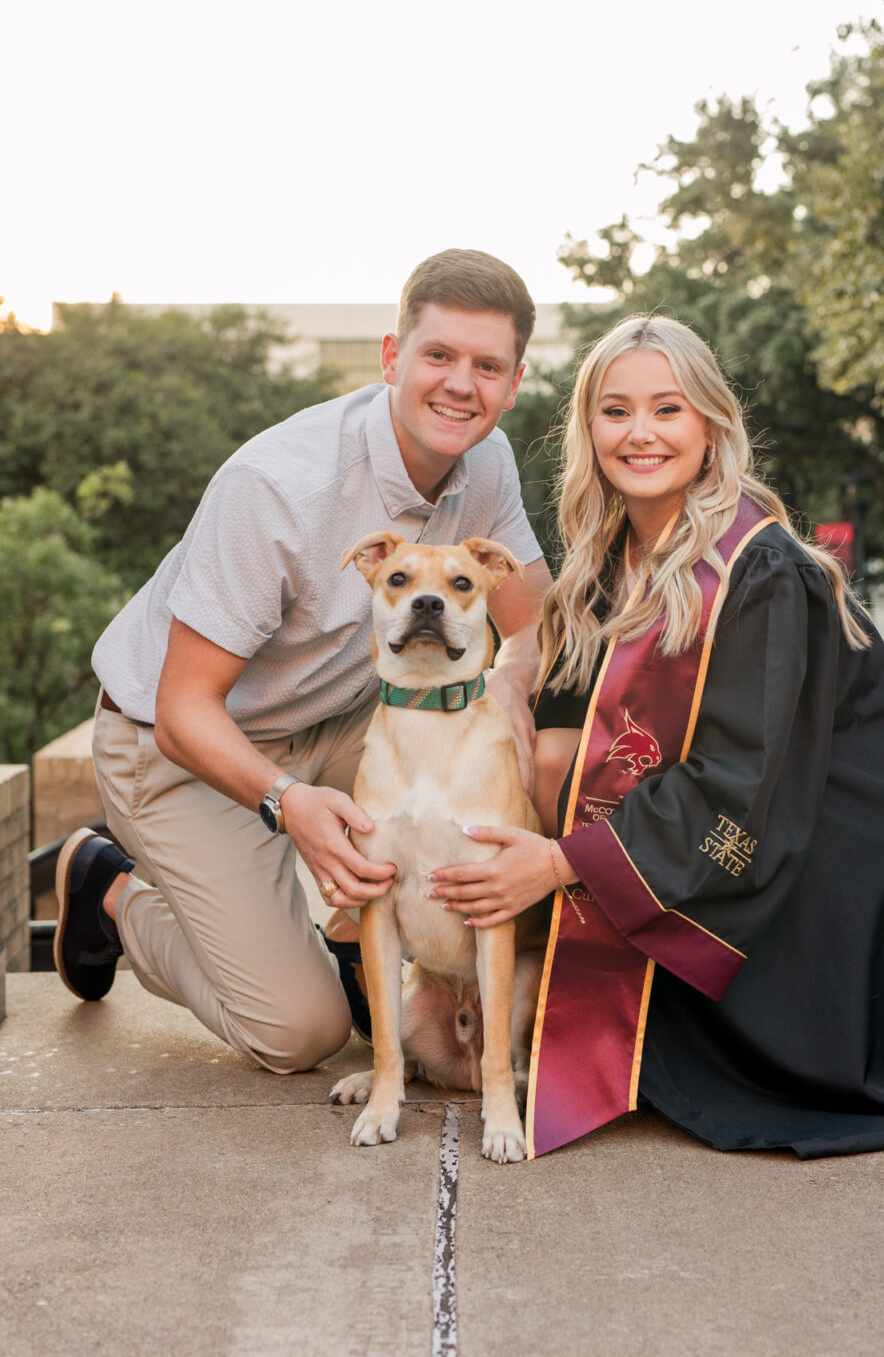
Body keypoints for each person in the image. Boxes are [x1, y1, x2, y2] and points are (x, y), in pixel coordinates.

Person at [428, 315, 884, 1158]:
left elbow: (742, 782)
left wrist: (555, 865)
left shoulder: (765, 574)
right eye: (616, 411)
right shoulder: (605, 563)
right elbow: (567, 729)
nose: (642, 433)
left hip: (818, 864)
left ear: (711, 426)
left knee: (691, 1068)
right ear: (588, 430)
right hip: (719, 837)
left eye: (669, 409)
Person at [55, 248, 552, 1075]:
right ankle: (109, 892)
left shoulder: (486, 457)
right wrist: (289, 805)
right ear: (393, 358)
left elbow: (534, 628)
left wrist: (507, 694)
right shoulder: (278, 486)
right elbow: (184, 710)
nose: (461, 384)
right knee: (300, 1034)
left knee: (541, 753)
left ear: (513, 381)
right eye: (439, 356)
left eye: (486, 366)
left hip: (348, 716)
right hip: (179, 745)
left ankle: (372, 936)